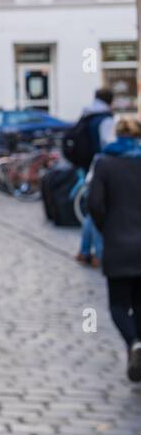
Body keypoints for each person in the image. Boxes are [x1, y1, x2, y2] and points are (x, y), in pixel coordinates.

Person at [86, 116, 141, 381]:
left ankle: (134, 343)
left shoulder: (105, 163)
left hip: (118, 242)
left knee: (118, 304)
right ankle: (138, 345)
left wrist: (106, 227)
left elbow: (94, 204)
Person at [75, 88, 117, 268]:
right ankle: (99, 255)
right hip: (101, 167)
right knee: (98, 209)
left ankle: (85, 251)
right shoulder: (105, 119)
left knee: (93, 208)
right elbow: (109, 144)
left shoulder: (88, 113)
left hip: (88, 165)